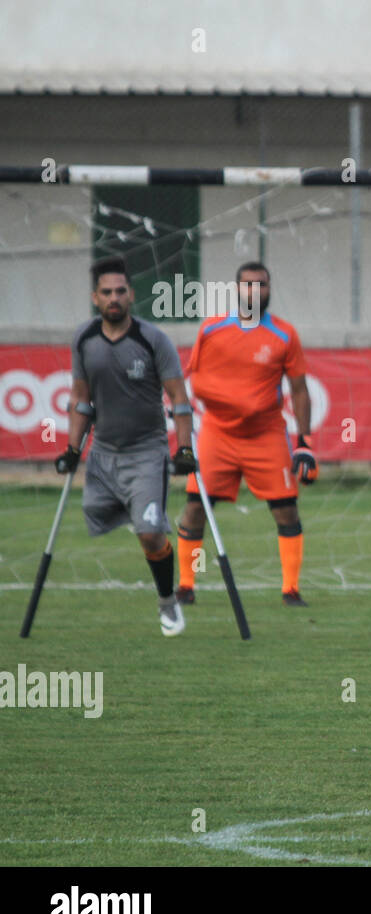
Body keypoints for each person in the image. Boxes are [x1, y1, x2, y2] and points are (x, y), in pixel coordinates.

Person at [58, 256, 196, 636]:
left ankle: (168, 603)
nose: (114, 298)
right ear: (95, 297)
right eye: (107, 292)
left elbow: (178, 398)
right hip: (103, 453)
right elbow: (81, 398)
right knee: (103, 517)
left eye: (120, 291)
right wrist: (72, 448)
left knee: (150, 533)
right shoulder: (84, 340)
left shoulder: (152, 340)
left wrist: (184, 448)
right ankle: (136, 512)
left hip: (148, 453)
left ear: (131, 295)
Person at [176, 261, 317, 607]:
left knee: (286, 511)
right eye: (248, 285)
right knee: (195, 509)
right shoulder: (211, 330)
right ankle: (187, 583)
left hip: (265, 435)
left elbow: (299, 390)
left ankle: (290, 589)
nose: (255, 291)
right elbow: (191, 375)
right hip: (217, 433)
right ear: (236, 289)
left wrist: (305, 442)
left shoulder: (285, 335)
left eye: (262, 285)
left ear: (270, 290)